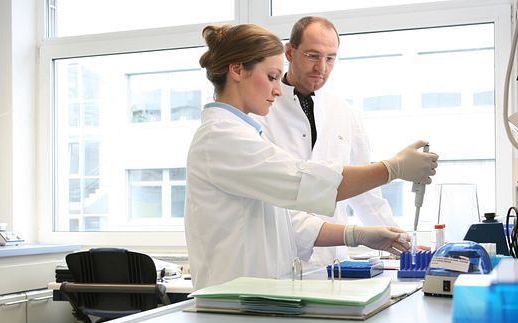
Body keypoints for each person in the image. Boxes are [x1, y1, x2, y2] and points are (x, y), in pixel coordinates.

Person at [185, 23, 438, 289]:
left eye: (330, 58)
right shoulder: (222, 138)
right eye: (272, 77)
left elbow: (287, 220)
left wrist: (358, 234)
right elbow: (307, 184)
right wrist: (392, 168)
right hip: (233, 300)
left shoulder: (243, 133)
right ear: (236, 70)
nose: (277, 89)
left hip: (263, 293)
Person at [254, 16, 414, 267]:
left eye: (330, 58)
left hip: (333, 263)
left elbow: (366, 193)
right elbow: (276, 197)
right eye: (312, 56)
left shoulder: (344, 112)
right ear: (289, 52)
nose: (322, 67)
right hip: (278, 261)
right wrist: (355, 234)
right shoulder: (262, 112)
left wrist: (403, 243)